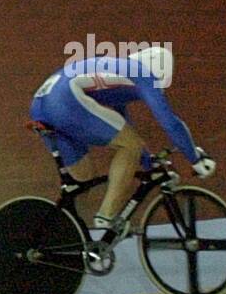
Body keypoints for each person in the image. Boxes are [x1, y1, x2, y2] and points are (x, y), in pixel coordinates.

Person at [29, 46, 216, 242]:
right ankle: (107, 216)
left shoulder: (119, 75)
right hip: (64, 100)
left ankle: (72, 239)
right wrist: (195, 158)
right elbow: (170, 123)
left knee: (82, 181)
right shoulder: (143, 74)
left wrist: (146, 160)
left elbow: (122, 122)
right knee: (130, 145)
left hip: (41, 105)